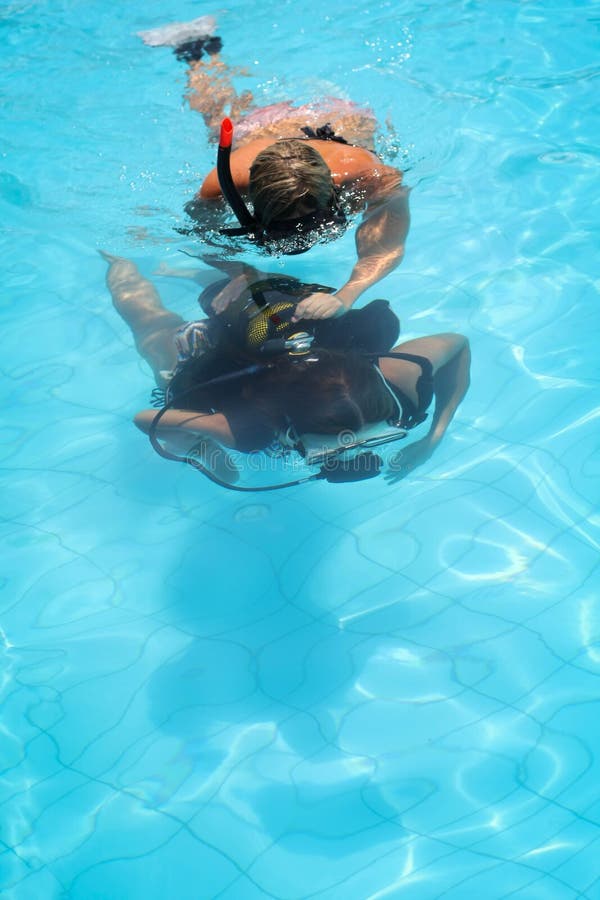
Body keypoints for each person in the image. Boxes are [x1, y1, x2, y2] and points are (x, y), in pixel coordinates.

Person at [102, 252, 470, 486]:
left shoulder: (400, 381)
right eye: (323, 450)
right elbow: (146, 419)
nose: (352, 454)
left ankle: (198, 274)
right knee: (152, 328)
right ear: (288, 427)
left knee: (248, 285)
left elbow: (458, 345)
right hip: (227, 348)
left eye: (380, 433)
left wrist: (433, 437)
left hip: (292, 329)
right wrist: (205, 448)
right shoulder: (249, 426)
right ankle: (121, 260)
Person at [138, 16, 410, 321]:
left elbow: (386, 247)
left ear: (332, 193)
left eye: (314, 219)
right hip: (260, 129)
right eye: (283, 227)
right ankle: (193, 50)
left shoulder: (372, 176)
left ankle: (199, 50)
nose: (303, 233)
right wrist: (239, 272)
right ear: (253, 203)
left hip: (340, 122)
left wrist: (345, 297)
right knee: (216, 119)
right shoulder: (222, 183)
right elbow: (201, 236)